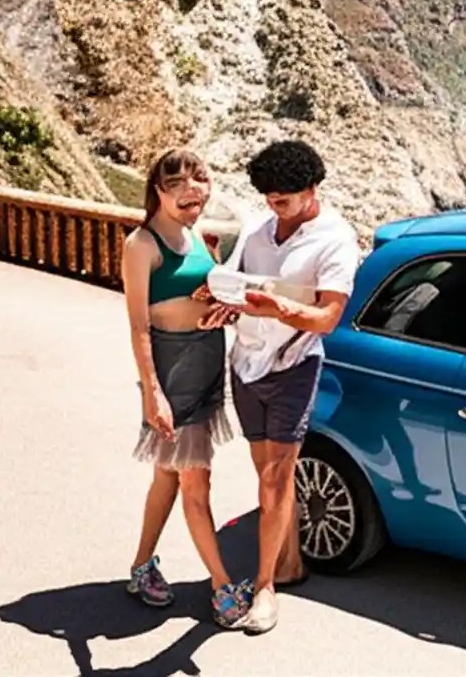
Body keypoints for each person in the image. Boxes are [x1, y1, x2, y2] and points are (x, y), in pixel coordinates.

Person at [227, 139, 361, 634]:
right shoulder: (259, 231)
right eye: (268, 199)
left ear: (312, 190)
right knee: (265, 475)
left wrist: (279, 309)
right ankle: (290, 563)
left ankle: (264, 589)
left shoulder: (336, 240)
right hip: (244, 365)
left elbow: (328, 317)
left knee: (277, 481)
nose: (274, 209)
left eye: (283, 200)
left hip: (293, 368)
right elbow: (236, 284)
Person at [120, 147, 251, 629]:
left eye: (201, 189)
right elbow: (138, 326)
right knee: (197, 481)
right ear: (160, 190)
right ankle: (222, 586)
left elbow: (210, 292)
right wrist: (151, 393)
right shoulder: (141, 245)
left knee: (168, 477)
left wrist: (224, 305)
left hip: (206, 370)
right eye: (184, 194)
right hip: (172, 377)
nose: (195, 201)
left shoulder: (199, 236)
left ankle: (140, 567)